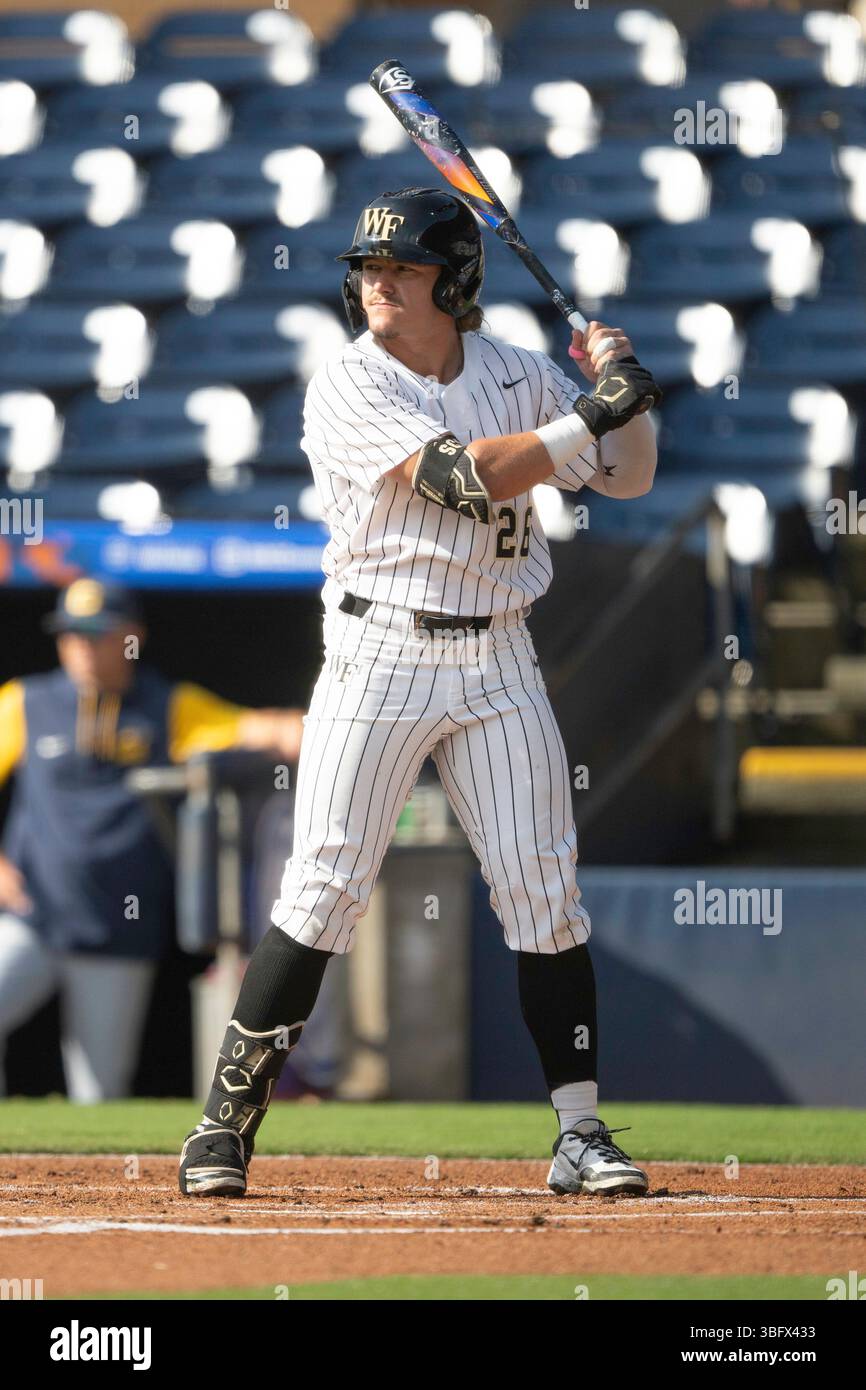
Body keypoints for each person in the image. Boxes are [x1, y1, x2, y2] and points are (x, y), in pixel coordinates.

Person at [178, 186, 661, 1198]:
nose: (376, 282)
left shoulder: (517, 372)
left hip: (497, 654)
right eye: (367, 268)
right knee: (325, 882)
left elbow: (623, 477)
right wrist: (586, 414)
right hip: (377, 652)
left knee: (541, 888)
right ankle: (223, 1125)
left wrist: (620, 388)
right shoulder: (346, 383)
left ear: (452, 278)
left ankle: (579, 1133)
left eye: (397, 267)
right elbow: (463, 477)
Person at [0, 578, 303, 1102]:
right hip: (34, 915)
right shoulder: (25, 702)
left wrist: (327, 733)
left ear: (131, 636)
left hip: (119, 929)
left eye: (97, 633)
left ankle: (80, 1187)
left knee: (100, 1090)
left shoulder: (166, 706)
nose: (83, 647)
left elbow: (260, 729)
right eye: (71, 634)